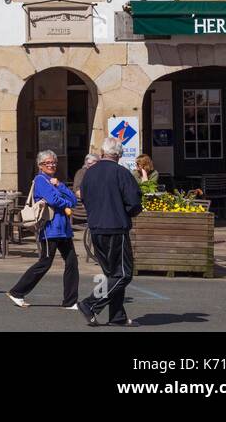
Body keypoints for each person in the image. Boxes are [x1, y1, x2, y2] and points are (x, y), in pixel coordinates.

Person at [78, 136, 144, 327]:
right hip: (115, 227)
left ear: (102, 152)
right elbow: (134, 203)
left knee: (112, 275)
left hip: (96, 227)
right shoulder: (121, 173)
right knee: (123, 274)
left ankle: (117, 316)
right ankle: (90, 304)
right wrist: (127, 212)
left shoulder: (89, 173)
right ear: (119, 155)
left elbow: (84, 198)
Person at [7, 150, 79, 310]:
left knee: (72, 262)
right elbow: (53, 200)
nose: (52, 165)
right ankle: (17, 292)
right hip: (49, 228)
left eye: (54, 162)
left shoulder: (55, 182)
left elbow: (74, 199)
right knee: (45, 263)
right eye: (48, 163)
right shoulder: (40, 180)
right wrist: (66, 203)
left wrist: (60, 185)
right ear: (40, 165)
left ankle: (70, 301)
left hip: (63, 229)